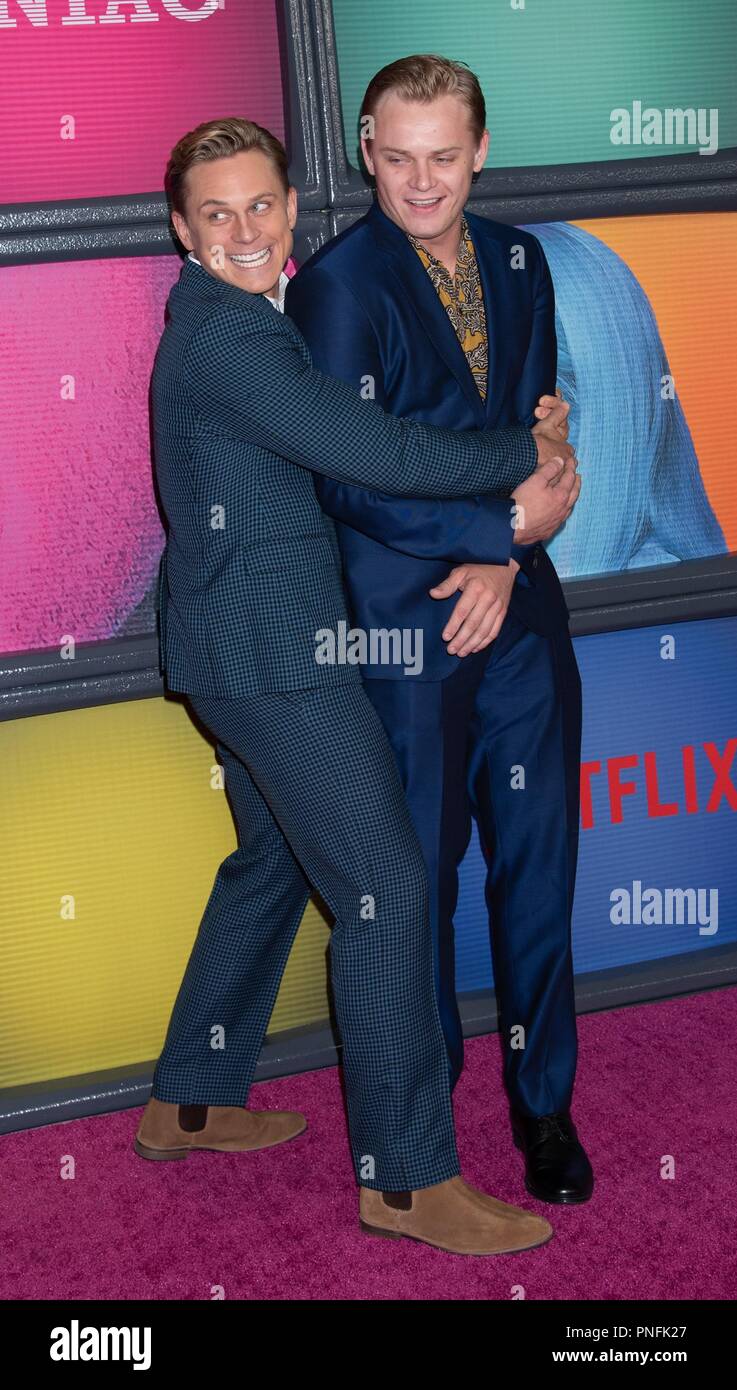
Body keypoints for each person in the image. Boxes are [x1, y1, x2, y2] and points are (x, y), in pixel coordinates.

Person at [136, 116, 578, 1255]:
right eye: (216, 213)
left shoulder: (241, 318)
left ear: (290, 206)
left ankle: (188, 1096)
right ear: (181, 230)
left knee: (273, 861)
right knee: (384, 884)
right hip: (275, 660)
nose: (243, 229)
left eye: (260, 205)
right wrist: (519, 468)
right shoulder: (231, 339)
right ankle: (404, 1177)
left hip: (239, 650)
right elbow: (374, 450)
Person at [285, 55, 593, 1204]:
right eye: (398, 156)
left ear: (478, 152)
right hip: (402, 630)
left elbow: (532, 423)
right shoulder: (335, 286)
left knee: (538, 862)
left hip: (514, 604)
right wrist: (489, 533)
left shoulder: (519, 258)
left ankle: (543, 1104)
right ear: (366, 148)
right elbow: (351, 480)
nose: (421, 182)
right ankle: (421, 1124)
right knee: (413, 880)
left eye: (445, 158)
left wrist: (502, 553)